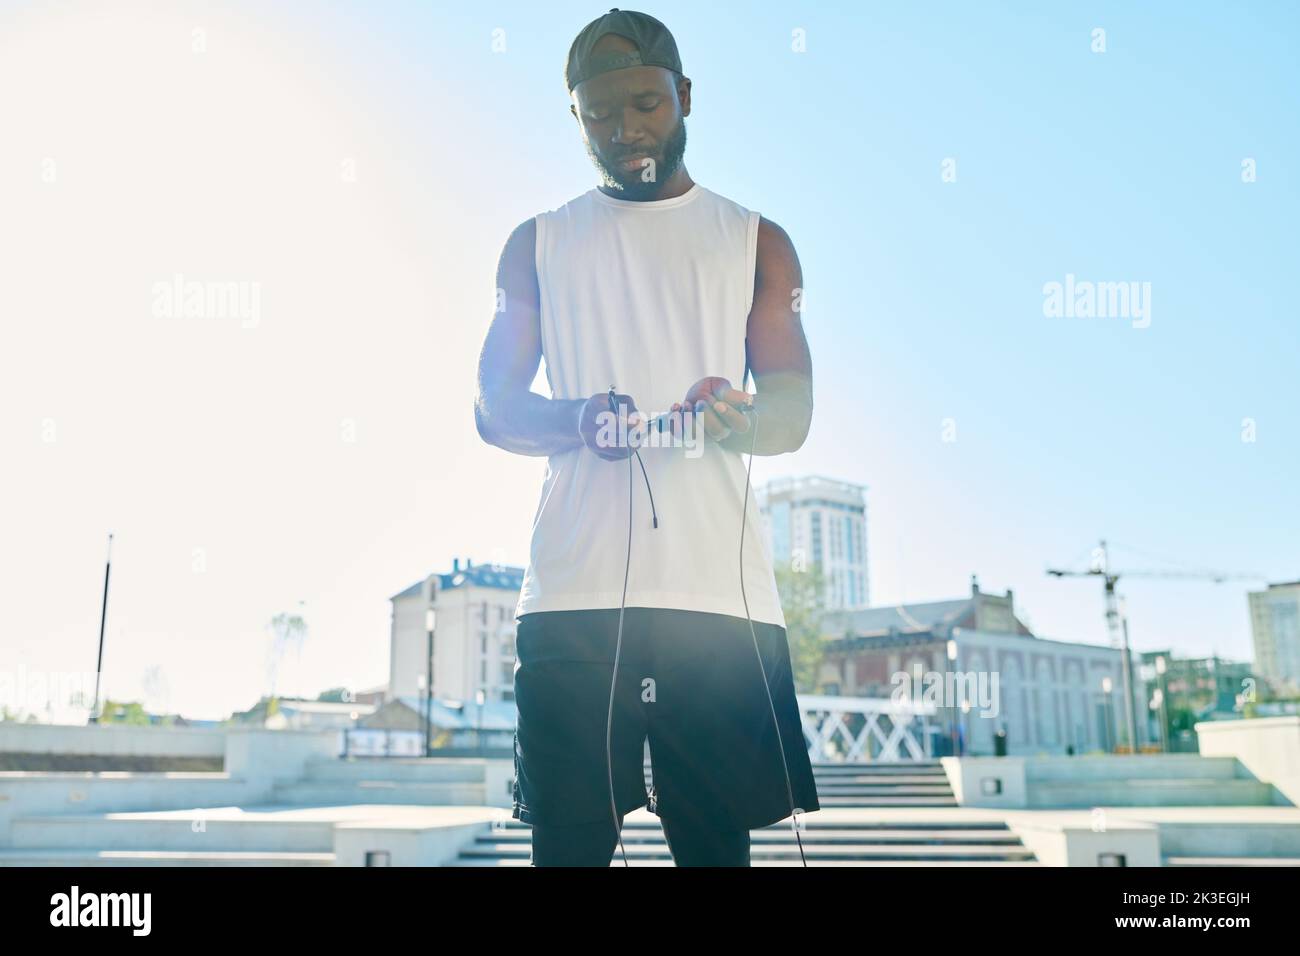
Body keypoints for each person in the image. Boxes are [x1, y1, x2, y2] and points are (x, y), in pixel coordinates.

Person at [474, 8, 819, 866]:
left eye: (645, 105)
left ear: (684, 96)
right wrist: (576, 420)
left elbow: (792, 416)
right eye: (599, 114)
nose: (625, 130)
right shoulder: (538, 242)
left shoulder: (756, 241)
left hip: (716, 601)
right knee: (570, 847)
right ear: (576, 118)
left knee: (714, 851)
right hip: (573, 596)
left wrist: (736, 416)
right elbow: (492, 406)